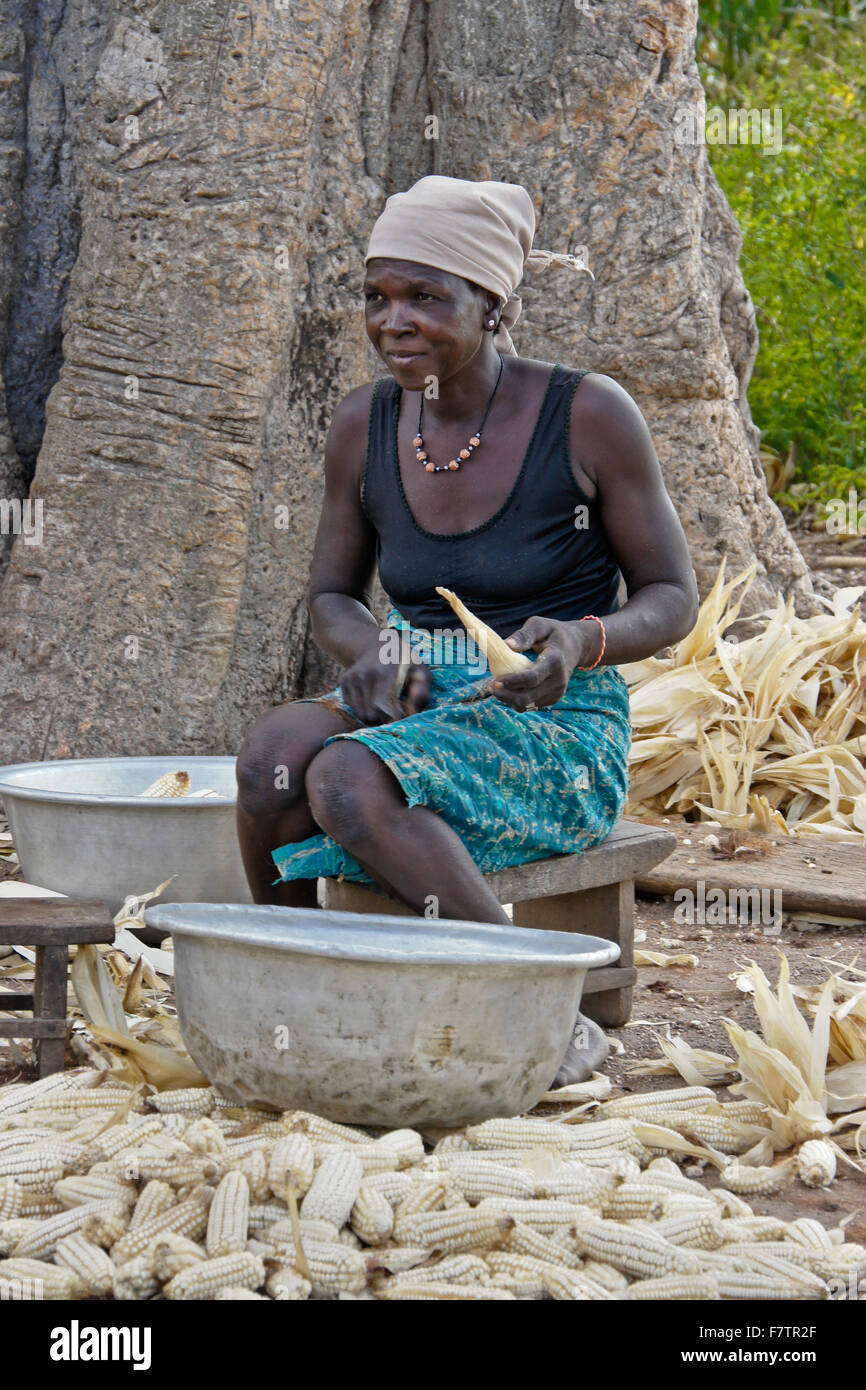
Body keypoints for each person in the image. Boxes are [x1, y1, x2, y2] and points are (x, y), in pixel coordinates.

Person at [236, 175, 698, 1085]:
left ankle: (538, 1005)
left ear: (494, 306)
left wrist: (577, 640)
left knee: (342, 777)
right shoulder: (366, 423)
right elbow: (331, 594)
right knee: (271, 757)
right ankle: (297, 976)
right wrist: (373, 650)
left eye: (425, 297)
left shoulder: (588, 414)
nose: (392, 321)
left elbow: (671, 596)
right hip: (418, 697)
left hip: (553, 720)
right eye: (377, 297)